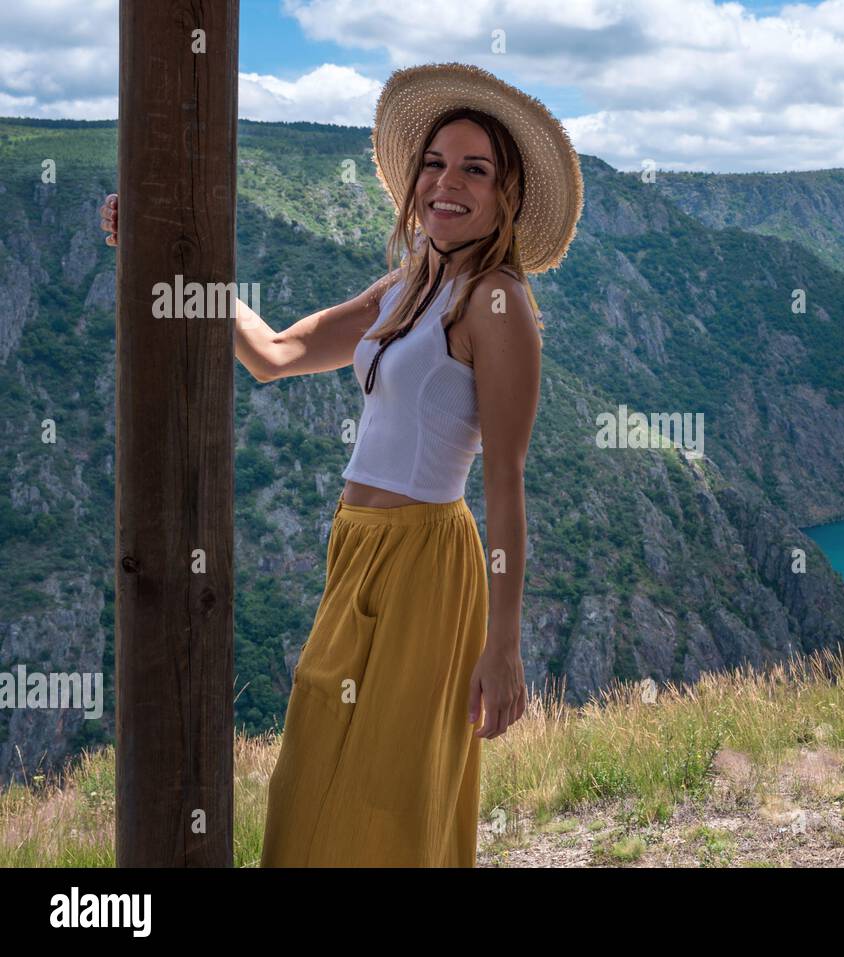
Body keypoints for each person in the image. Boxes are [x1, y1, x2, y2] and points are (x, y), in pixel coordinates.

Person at [99, 61, 584, 866]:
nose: (446, 183)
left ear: (507, 195)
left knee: (383, 796)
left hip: (428, 563)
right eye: (434, 162)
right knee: (311, 773)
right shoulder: (407, 285)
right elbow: (276, 352)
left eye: (475, 169)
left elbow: (506, 484)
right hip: (356, 548)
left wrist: (504, 647)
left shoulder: (497, 302)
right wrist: (157, 252)